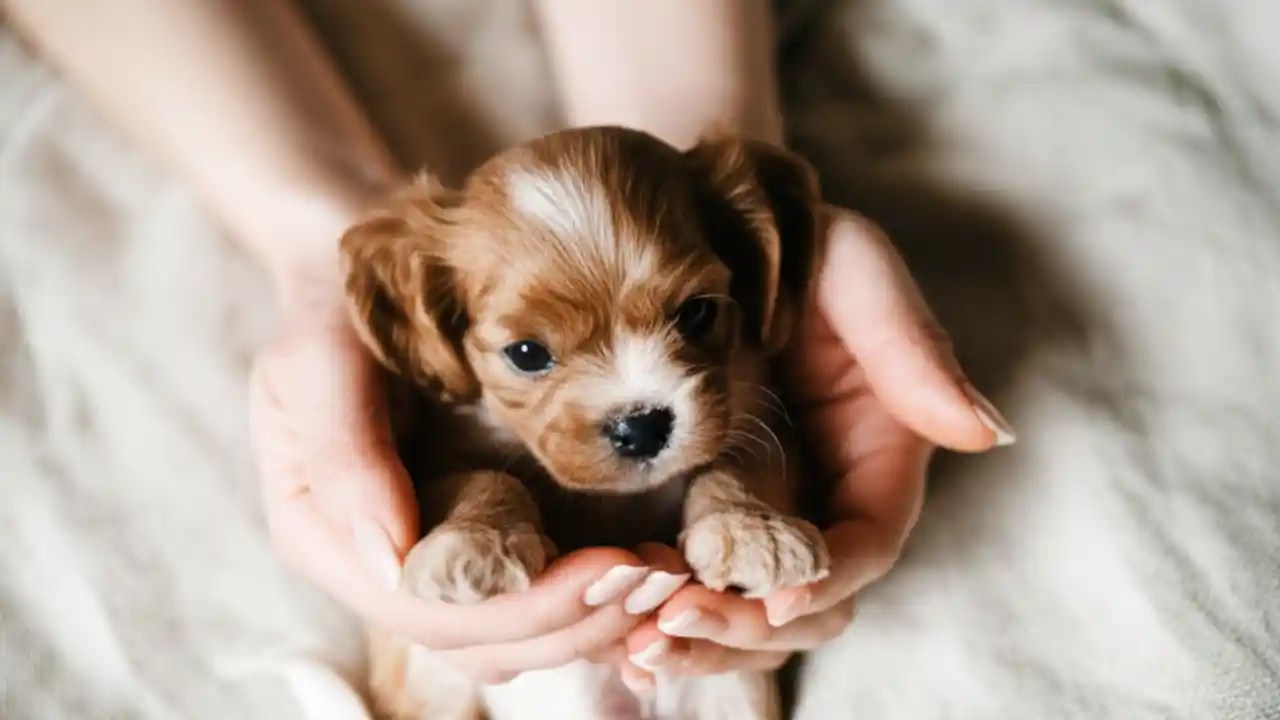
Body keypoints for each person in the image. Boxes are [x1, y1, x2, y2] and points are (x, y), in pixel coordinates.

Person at [6, 0, 1014, 689]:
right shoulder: (430, 334)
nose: (639, 398)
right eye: (529, 356)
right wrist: (317, 252)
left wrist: (738, 498)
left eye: (692, 315)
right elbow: (454, 465)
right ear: (434, 331)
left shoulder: (746, 316)